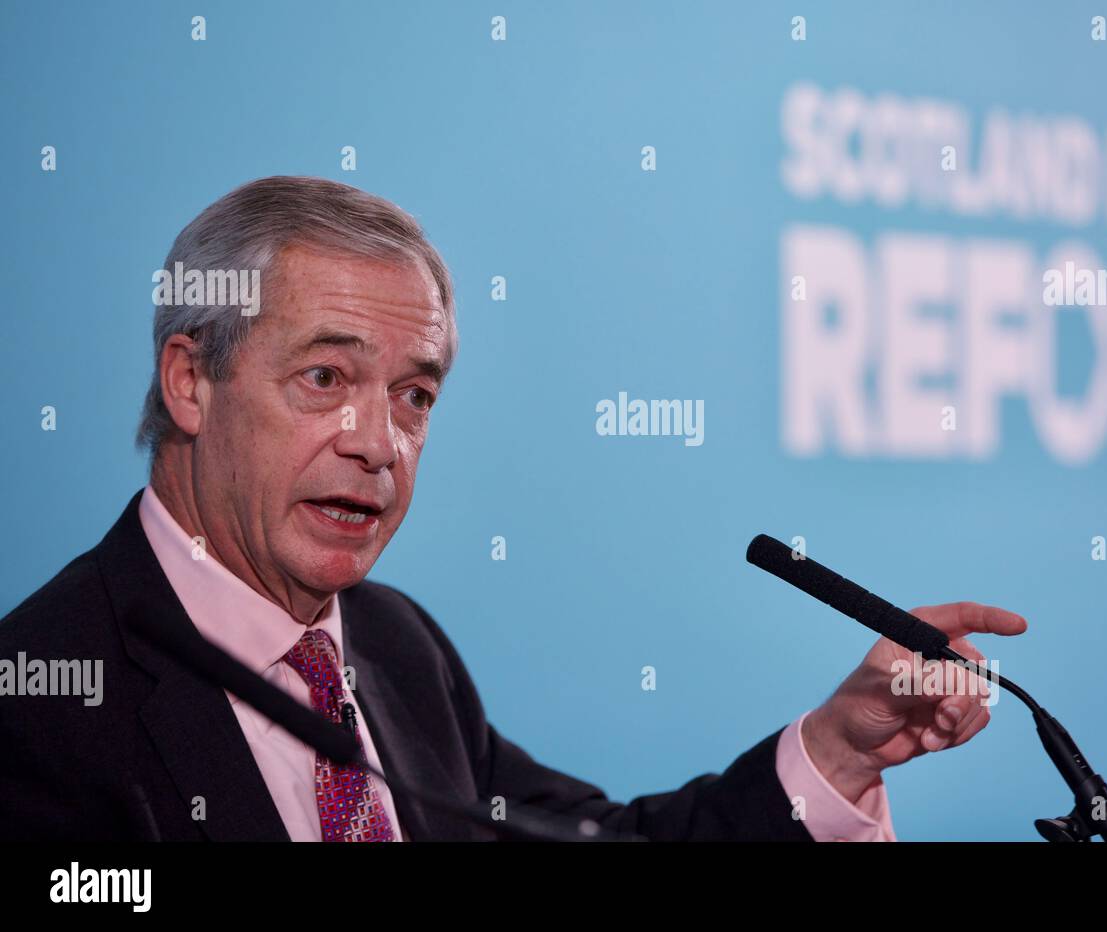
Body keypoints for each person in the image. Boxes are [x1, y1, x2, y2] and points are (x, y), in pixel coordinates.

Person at [0, 177, 1027, 841]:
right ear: (191, 381)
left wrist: (838, 747)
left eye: (415, 395)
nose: (379, 442)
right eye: (324, 377)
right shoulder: (40, 700)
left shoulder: (397, 647)